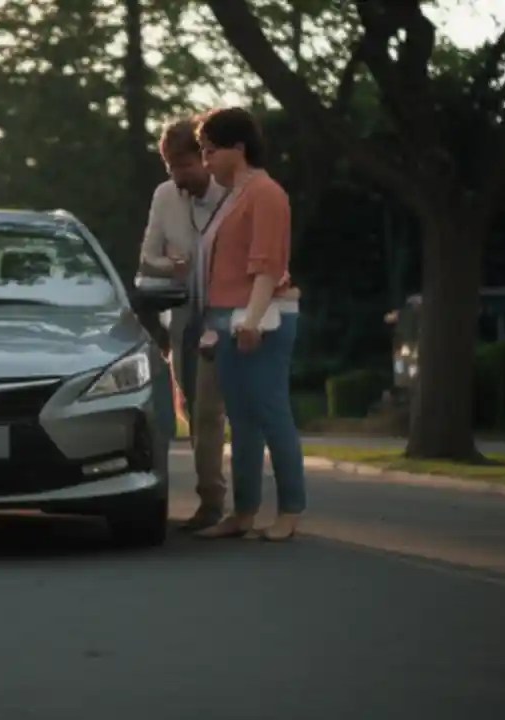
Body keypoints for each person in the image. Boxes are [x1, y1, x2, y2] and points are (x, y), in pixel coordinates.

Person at [192, 108, 305, 542]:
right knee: (241, 419)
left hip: (259, 318)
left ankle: (291, 509)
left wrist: (252, 321)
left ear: (238, 148)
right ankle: (244, 510)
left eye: (211, 151)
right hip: (226, 319)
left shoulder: (266, 193)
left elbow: (266, 266)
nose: (206, 162)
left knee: (271, 412)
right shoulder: (233, 197)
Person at [138, 117, 230, 532]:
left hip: (227, 312)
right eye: (170, 168)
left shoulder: (231, 193)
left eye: (184, 166)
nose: (178, 177)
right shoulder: (164, 196)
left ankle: (217, 501)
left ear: (203, 159)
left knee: (215, 411)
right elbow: (147, 258)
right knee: (193, 407)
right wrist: (173, 266)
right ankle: (209, 498)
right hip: (182, 312)